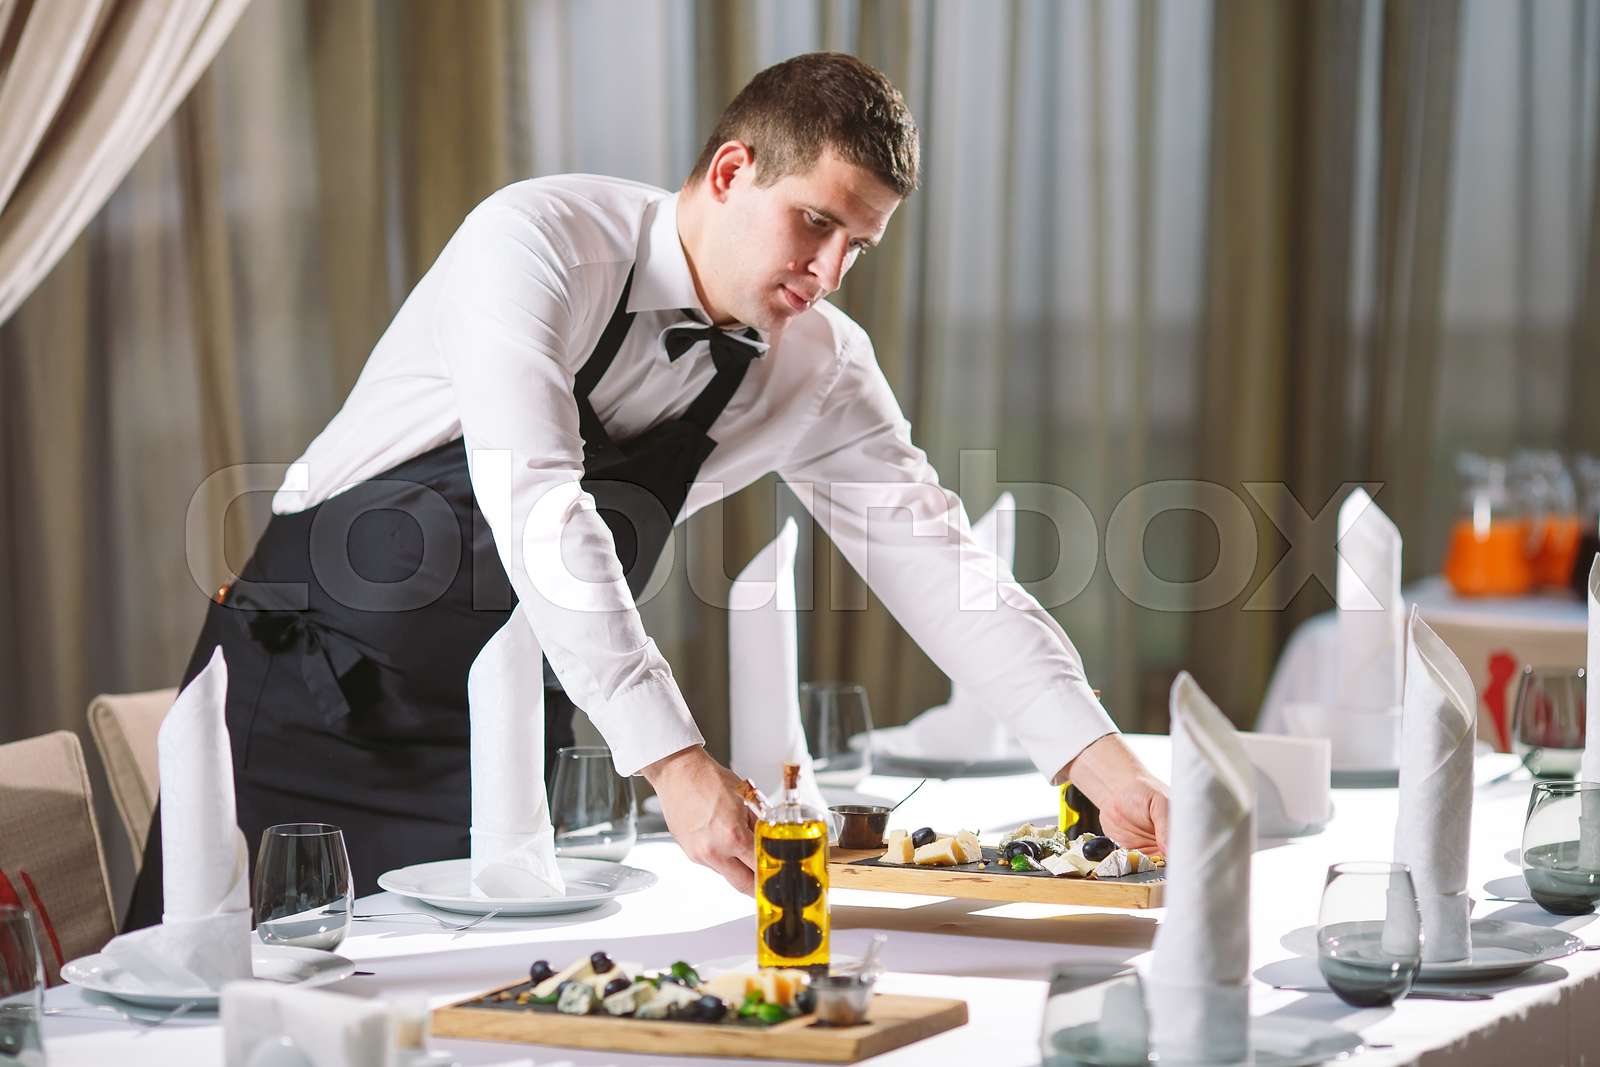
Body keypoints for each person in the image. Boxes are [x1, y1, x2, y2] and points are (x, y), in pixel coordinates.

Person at [126, 51, 1168, 927]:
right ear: (729, 171)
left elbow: (935, 558)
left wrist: (1093, 756)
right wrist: (675, 760)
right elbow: (541, 504)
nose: (830, 271)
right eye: (814, 224)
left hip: (496, 743)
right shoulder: (533, 241)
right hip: (297, 703)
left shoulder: (820, 364)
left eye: (858, 244)